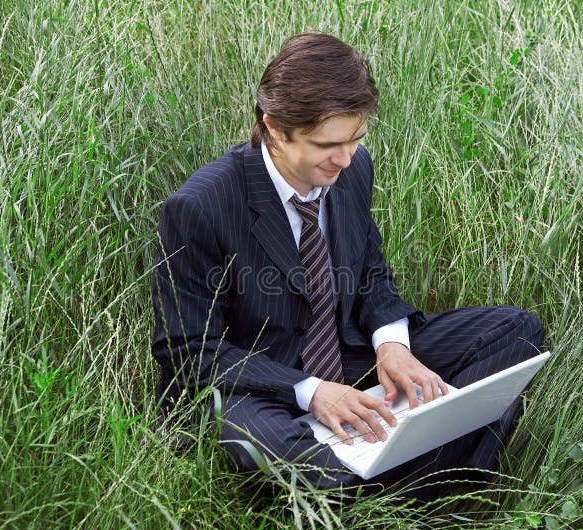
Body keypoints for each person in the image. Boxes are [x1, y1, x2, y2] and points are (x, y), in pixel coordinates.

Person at [151, 33, 543, 499]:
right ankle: (435, 472)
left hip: (347, 359)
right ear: (274, 127)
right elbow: (188, 351)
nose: (345, 158)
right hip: (255, 389)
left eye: (356, 138)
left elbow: (370, 273)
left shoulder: (353, 169)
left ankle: (380, 482)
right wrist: (311, 391)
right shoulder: (198, 207)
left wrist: (392, 346)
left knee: (515, 330)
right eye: (327, 145)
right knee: (276, 447)